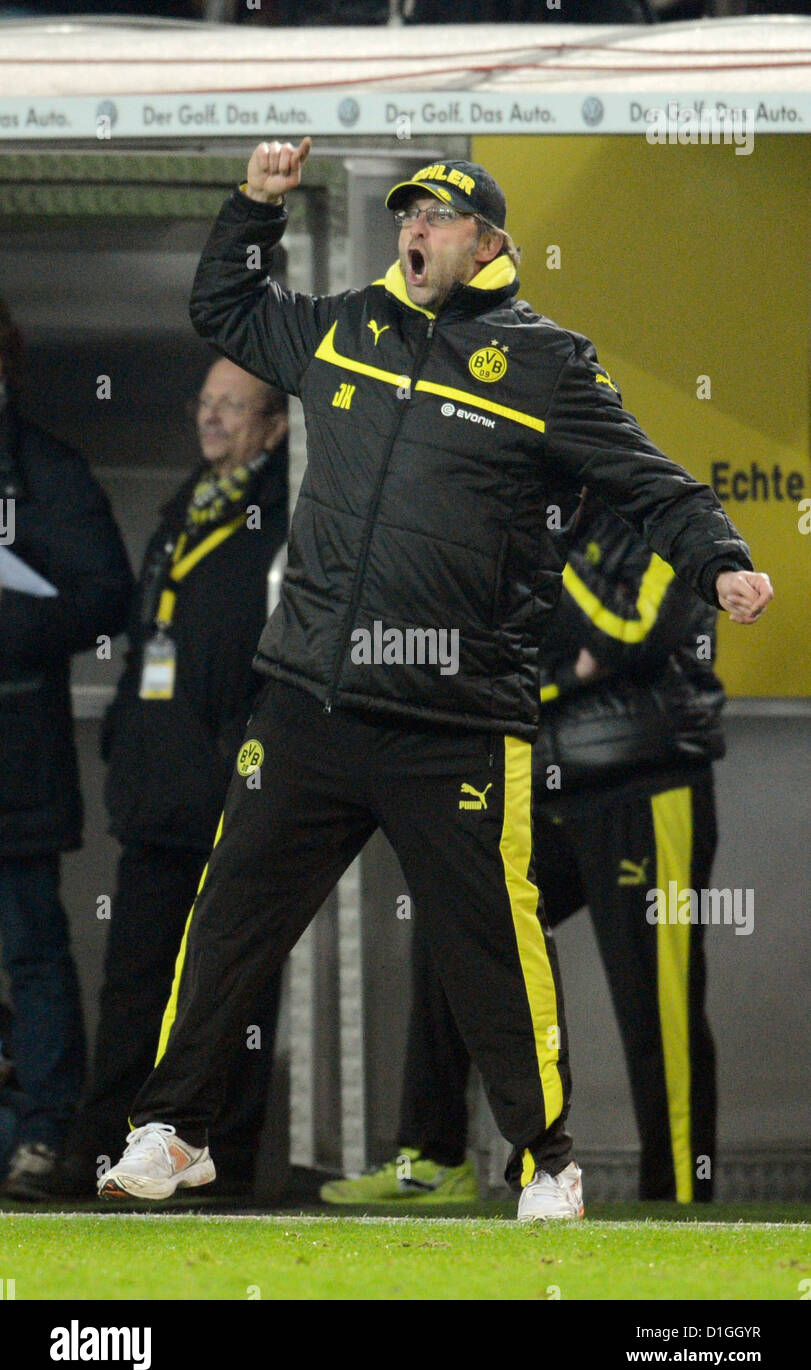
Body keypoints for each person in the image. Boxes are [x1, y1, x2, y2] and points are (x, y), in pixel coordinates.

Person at [99, 140, 772, 1221]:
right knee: (228, 917)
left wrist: (723, 561)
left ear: (490, 244)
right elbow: (225, 310)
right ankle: (174, 1131)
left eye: (439, 219)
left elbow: (653, 486)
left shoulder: (548, 362)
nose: (414, 231)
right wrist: (254, 207)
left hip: (455, 721)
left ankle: (546, 1162)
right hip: (310, 701)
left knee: (488, 948)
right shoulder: (347, 328)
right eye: (407, 215)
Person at [321, 493, 726, 1207]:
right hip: (539, 780)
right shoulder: (508, 520)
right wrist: (567, 665)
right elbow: (495, 656)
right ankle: (435, 1158)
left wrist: (555, 559)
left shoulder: (661, 513)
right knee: (457, 926)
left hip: (643, 779)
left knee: (656, 1005)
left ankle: (679, 1202)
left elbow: (630, 631)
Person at [18, 357, 290, 1201]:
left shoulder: (286, 515)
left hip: (230, 796)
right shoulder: (184, 507)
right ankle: (100, 1155)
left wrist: (236, 759)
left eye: (232, 407)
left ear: (275, 426)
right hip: (156, 792)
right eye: (204, 403)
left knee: (229, 984)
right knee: (133, 983)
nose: (210, 419)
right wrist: (130, 744)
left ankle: (222, 1164)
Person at [0, 296, 133, 1198]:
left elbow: (104, 597)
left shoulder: (43, 468)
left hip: (16, 758)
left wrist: (7, 624)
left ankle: (46, 1137)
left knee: (33, 945)